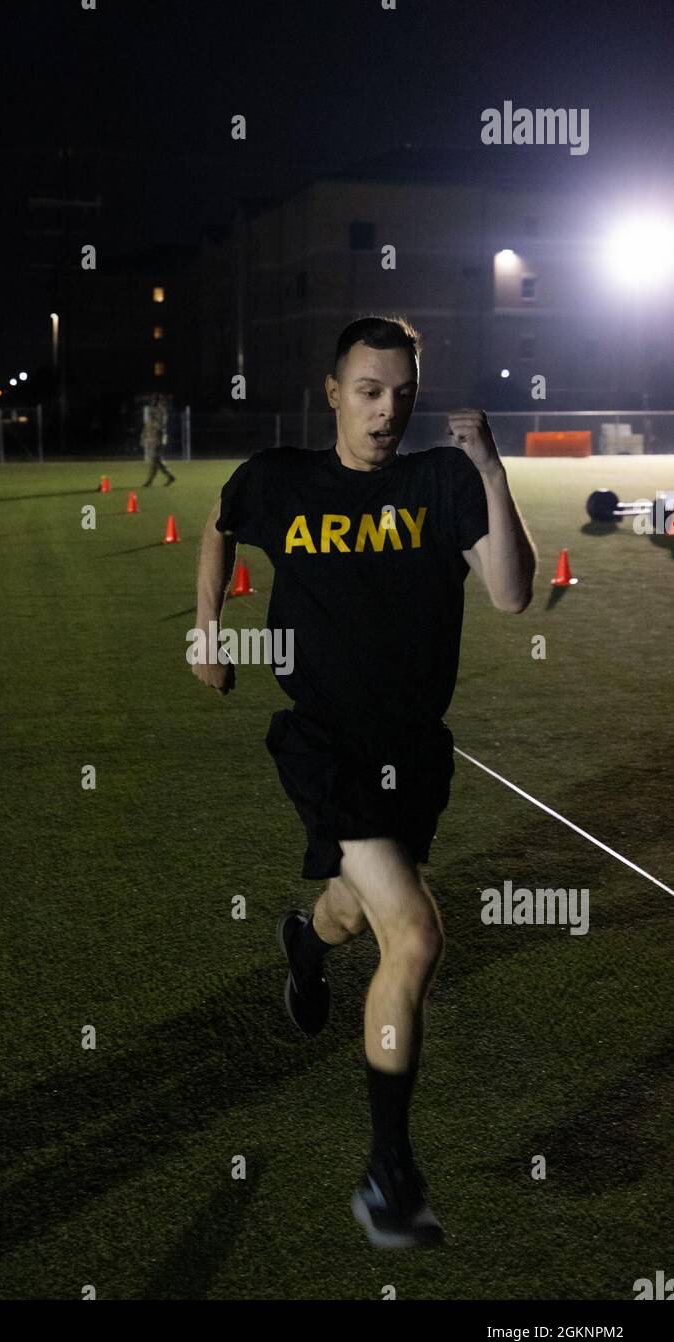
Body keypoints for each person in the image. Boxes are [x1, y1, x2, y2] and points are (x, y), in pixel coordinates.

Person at [192, 316, 536, 1249]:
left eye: (402, 394)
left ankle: (306, 939)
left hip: (413, 754)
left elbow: (510, 594)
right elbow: (219, 529)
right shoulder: (280, 478)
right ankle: (389, 1179)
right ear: (335, 390)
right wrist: (208, 630)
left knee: (355, 908)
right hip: (326, 748)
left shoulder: (441, 483)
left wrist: (494, 473)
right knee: (415, 933)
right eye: (369, 391)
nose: (387, 412)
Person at [141, 393, 175, 486]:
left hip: (159, 438)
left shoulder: (161, 410)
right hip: (154, 438)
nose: (152, 401)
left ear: (157, 400)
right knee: (156, 460)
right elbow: (149, 425)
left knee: (156, 459)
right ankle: (168, 477)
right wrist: (146, 437)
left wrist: (158, 437)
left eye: (154, 399)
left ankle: (153, 480)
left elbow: (162, 425)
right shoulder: (153, 410)